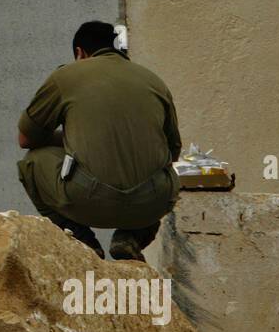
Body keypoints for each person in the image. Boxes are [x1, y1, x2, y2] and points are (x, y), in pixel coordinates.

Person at [16, 21, 182, 261]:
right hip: (150, 202)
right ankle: (132, 237)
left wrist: (68, 136)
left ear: (80, 53)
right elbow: (173, 149)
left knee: (32, 163)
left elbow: (25, 139)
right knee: (165, 172)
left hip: (88, 198)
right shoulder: (153, 81)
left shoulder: (66, 76)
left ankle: (82, 239)